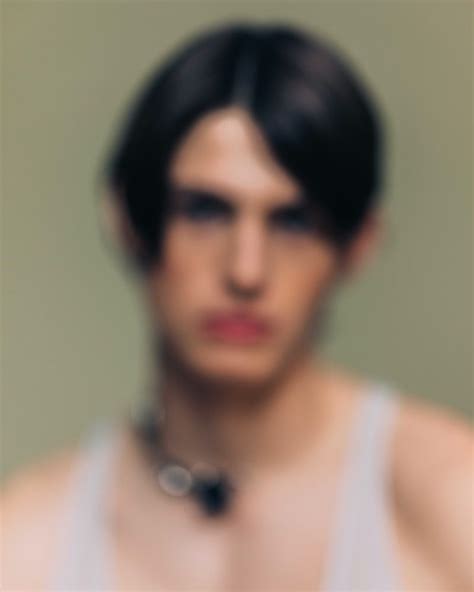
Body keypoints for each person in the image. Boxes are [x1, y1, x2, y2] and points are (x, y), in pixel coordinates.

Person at [1, 21, 472, 592]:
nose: (246, 271)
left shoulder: (451, 504)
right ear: (128, 222)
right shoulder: (27, 546)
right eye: (205, 211)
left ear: (358, 243)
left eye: (293, 221)